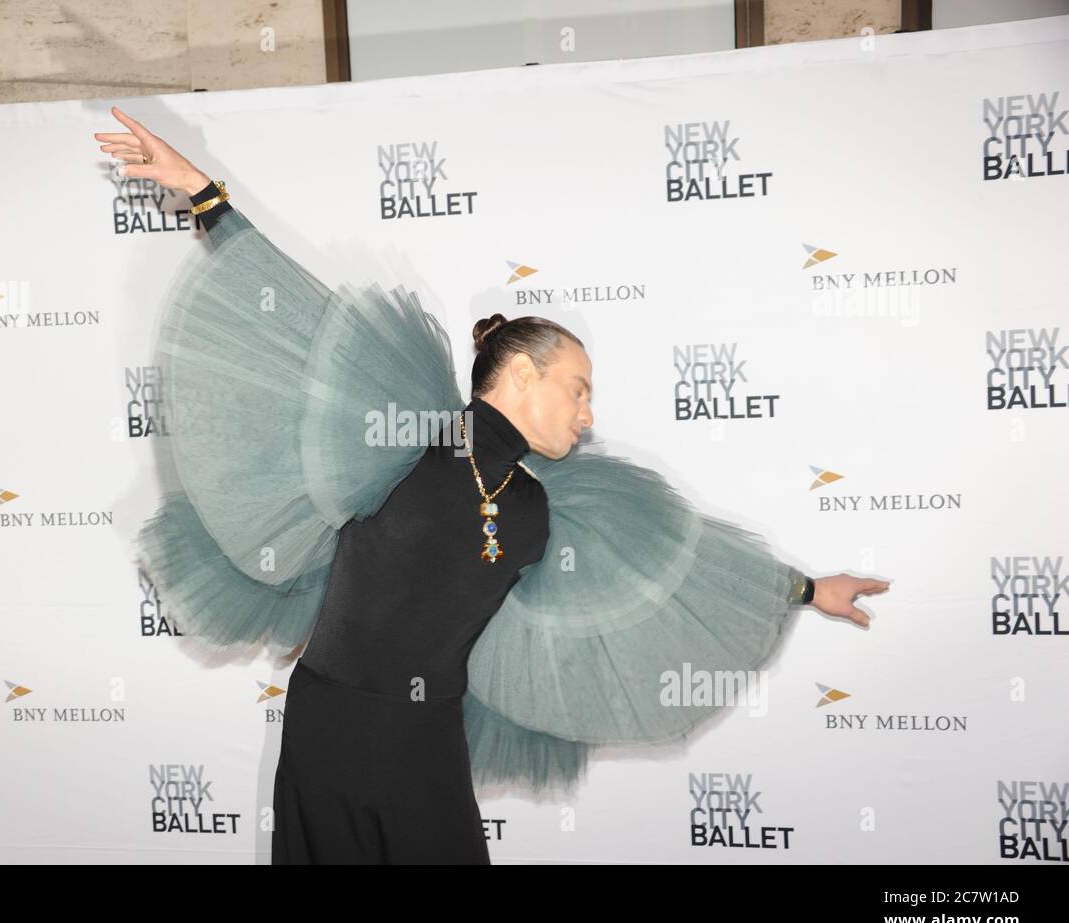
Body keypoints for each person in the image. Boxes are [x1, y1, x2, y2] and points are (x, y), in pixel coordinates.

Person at [94, 106, 891, 864]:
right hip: (325, 728)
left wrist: (806, 586)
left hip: (423, 746)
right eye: (577, 387)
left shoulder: (543, 510)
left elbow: (678, 561)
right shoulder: (400, 440)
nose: (587, 411)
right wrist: (202, 193)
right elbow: (292, 323)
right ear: (517, 373)